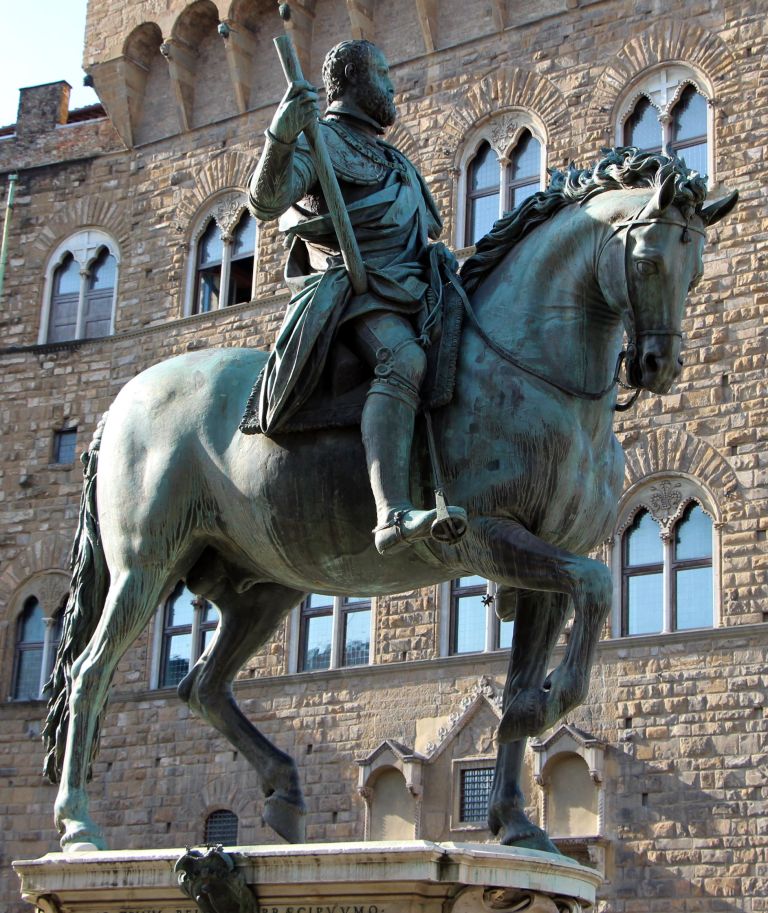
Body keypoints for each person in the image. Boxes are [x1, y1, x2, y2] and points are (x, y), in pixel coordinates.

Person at [247, 39, 466, 556]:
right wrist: (281, 136)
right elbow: (266, 201)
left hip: (416, 287)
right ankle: (390, 513)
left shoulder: (393, 158)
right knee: (404, 360)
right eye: (383, 72)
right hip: (355, 293)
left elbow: (421, 232)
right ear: (351, 79)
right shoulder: (318, 140)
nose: (393, 84)